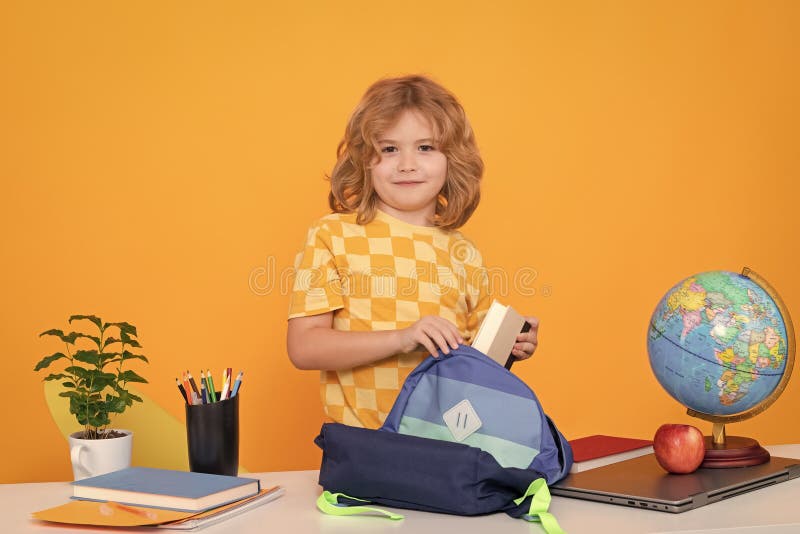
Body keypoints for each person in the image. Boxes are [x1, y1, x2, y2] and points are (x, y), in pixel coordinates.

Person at [287, 75, 539, 429]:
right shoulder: (333, 235)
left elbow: (476, 365)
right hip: (363, 447)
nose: (407, 163)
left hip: (447, 446)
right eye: (389, 149)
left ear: (452, 158)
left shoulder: (463, 251)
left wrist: (512, 345)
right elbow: (304, 347)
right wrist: (402, 338)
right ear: (365, 160)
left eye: (425, 148)